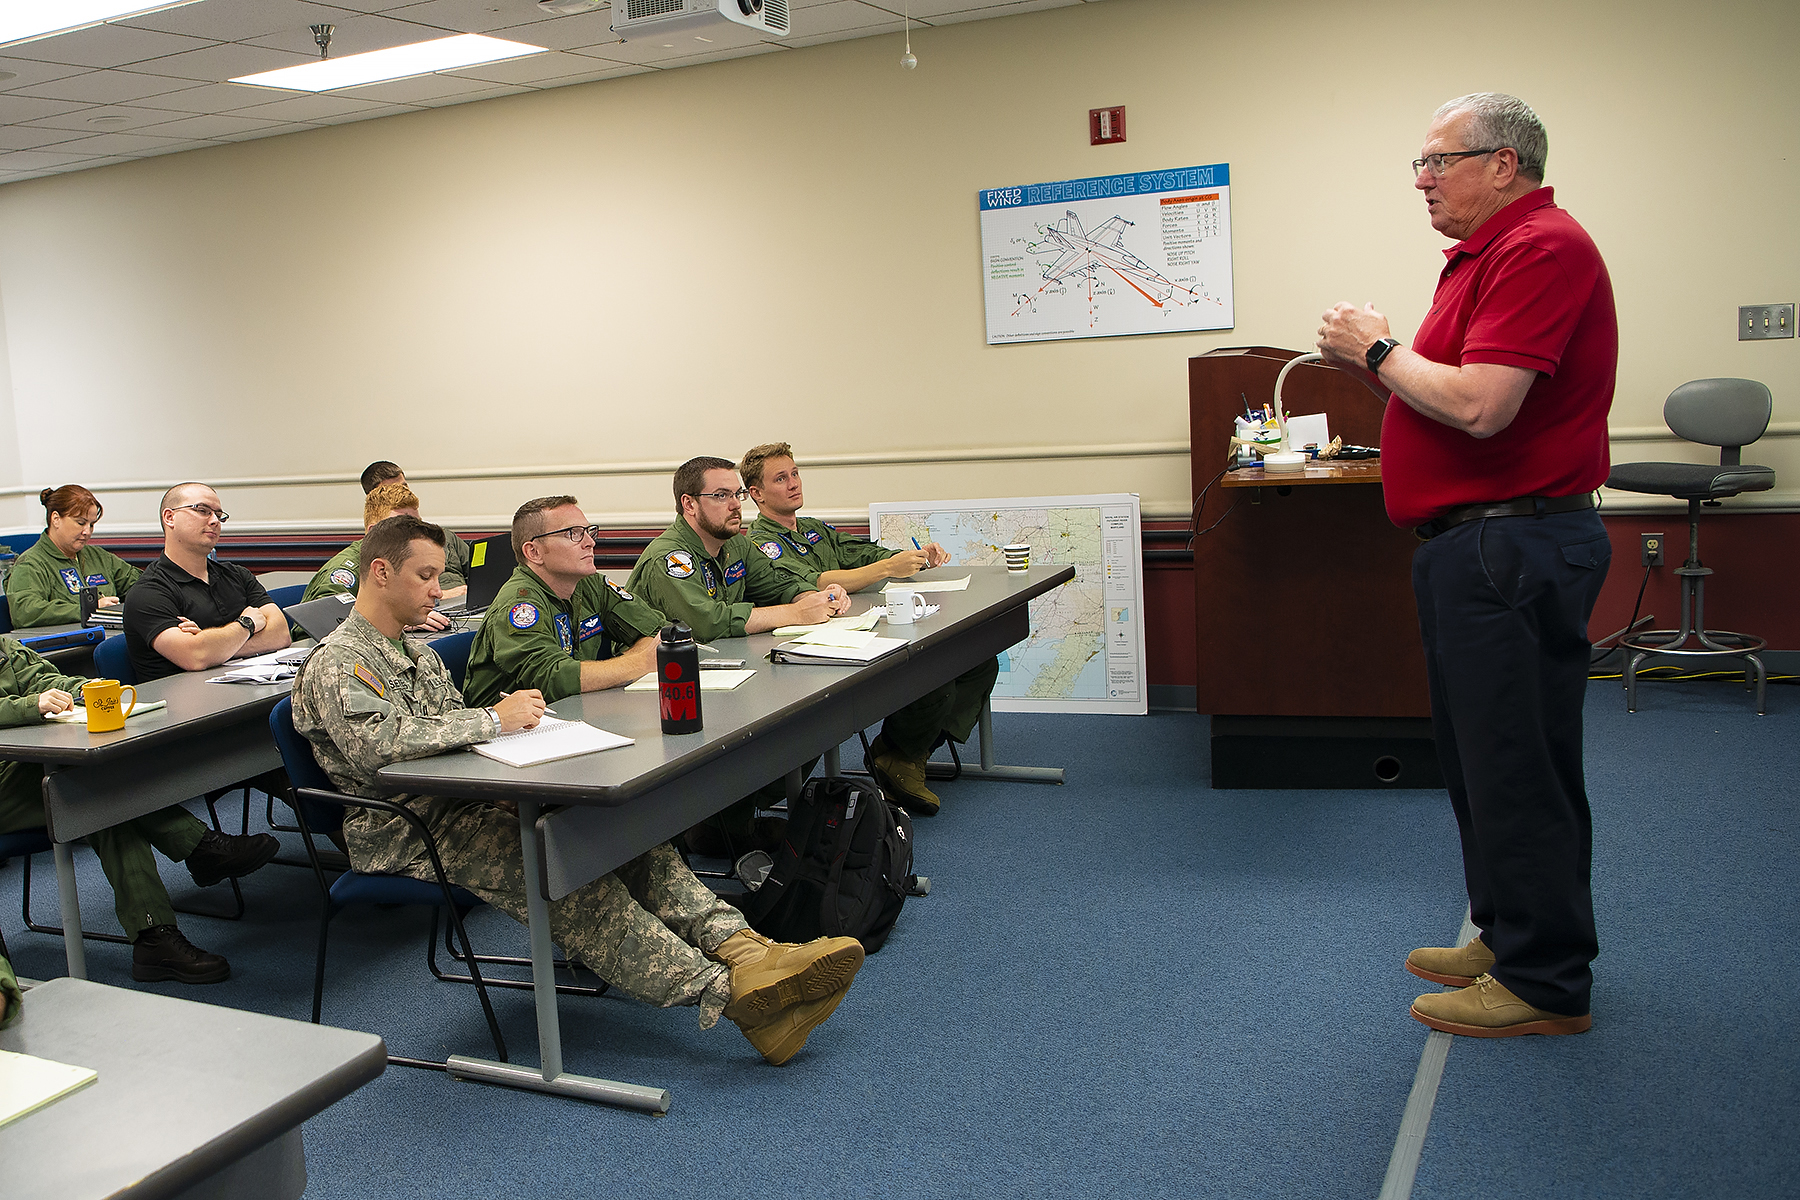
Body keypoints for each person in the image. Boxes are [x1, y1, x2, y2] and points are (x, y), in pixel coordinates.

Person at [292, 515, 863, 1064]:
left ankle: (748, 950)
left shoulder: (413, 650)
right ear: (381, 573)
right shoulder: (340, 661)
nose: (440, 592)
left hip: (467, 798)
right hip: (407, 831)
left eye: (441, 576)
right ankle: (734, 994)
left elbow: (445, 739)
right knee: (564, 871)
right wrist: (493, 721)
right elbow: (378, 747)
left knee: (619, 835)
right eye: (426, 577)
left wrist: (500, 741)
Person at [1316, 93, 1615, 1038]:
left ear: (1505, 165)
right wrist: (1382, 365)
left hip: (1509, 546)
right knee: (1485, 761)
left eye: (1441, 162)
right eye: (1421, 164)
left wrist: (1375, 346)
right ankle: (1507, 932)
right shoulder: (1486, 258)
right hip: (1478, 547)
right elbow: (1446, 397)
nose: (1423, 181)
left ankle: (1546, 982)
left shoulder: (1541, 248)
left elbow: (1483, 406)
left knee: (1517, 765)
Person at [0, 635, 278, 982]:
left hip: (18, 765)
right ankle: (198, 848)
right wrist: (29, 706)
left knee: (95, 800)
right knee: (89, 789)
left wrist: (84, 690)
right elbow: (32, 699)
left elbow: (45, 679)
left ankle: (154, 938)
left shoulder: (6, 647)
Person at [741, 442, 998, 817]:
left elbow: (863, 554)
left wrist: (912, 557)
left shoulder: (814, 530)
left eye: (795, 473)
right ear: (757, 494)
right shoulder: (759, 544)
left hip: (860, 627)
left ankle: (905, 755)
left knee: (977, 661)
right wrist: (887, 570)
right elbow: (816, 582)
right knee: (934, 673)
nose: (794, 483)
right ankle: (900, 757)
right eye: (781, 478)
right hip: (817, 646)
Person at [461, 496, 664, 707]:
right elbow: (553, 679)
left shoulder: (588, 583)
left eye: (589, 531)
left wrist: (637, 661)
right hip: (512, 731)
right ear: (534, 552)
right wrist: (640, 662)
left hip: (574, 712)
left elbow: (657, 631)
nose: (590, 542)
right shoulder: (520, 605)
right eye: (573, 534)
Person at [626, 457, 849, 642]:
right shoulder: (668, 556)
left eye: (736, 494)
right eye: (721, 496)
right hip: (655, 678)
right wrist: (796, 613)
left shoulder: (734, 543)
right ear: (689, 504)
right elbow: (706, 623)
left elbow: (778, 583)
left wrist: (819, 599)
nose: (736, 505)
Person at [121, 483, 292, 683]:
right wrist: (246, 624)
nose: (214, 521)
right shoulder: (148, 593)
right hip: (184, 708)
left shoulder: (237, 575)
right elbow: (196, 656)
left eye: (219, 515)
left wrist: (215, 646)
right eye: (202, 511)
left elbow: (281, 634)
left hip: (245, 693)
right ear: (170, 517)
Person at [5, 485, 141, 628]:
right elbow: (25, 612)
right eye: (80, 523)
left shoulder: (99, 557)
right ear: (56, 519)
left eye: (92, 525)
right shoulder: (30, 564)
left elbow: (141, 585)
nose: (87, 531)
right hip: (66, 647)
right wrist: (89, 608)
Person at [359, 461, 469, 598]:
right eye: (391, 489)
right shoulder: (360, 560)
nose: (402, 492)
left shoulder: (443, 536)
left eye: (404, 486)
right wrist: (440, 597)